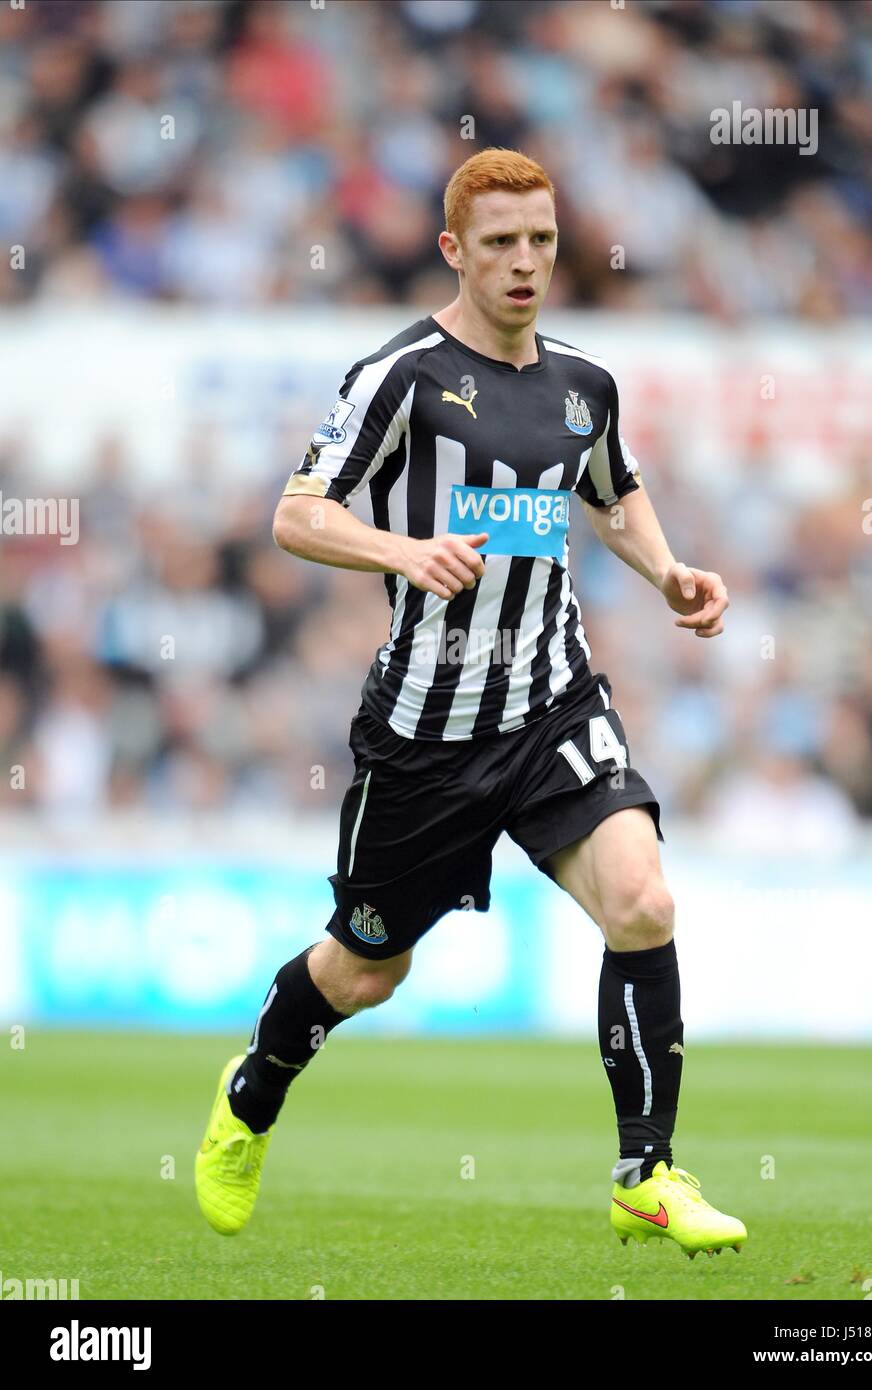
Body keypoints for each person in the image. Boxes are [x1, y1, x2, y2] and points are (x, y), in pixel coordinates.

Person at [195, 148, 745, 1259]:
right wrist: (403, 548)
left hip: (552, 702)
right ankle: (254, 1089)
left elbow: (611, 488)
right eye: (499, 242)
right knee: (366, 969)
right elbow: (297, 514)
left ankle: (646, 1170)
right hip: (425, 735)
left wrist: (669, 570)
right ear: (454, 250)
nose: (524, 261)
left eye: (539, 239)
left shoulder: (584, 384)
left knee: (641, 899)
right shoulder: (395, 375)